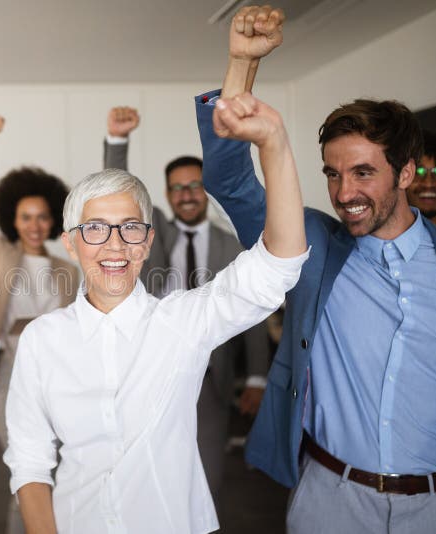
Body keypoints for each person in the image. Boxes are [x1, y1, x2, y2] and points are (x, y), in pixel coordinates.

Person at [196, 6, 436, 533]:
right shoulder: (313, 246)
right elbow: (231, 180)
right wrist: (240, 63)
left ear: (407, 173)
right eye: (333, 173)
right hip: (330, 501)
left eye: (364, 172)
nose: (345, 193)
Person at [4, 86, 308, 531]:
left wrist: (275, 143)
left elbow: (278, 264)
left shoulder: (181, 322)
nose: (114, 244)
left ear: (147, 243)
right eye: (94, 229)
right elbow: (29, 460)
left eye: (130, 228)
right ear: (69, 242)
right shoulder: (42, 339)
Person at [102, 109, 270, 501]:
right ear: (166, 195)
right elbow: (119, 193)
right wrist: (117, 141)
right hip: (148, 367)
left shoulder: (232, 243)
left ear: (205, 191)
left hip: (211, 373)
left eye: (195, 185)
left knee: (206, 479)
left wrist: (258, 377)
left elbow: (255, 314)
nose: (187, 194)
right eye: (177, 188)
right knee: (144, 476)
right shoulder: (150, 230)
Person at [0, 116, 78, 533]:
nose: (34, 225)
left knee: (57, 466)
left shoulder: (68, 270)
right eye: (26, 216)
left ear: (53, 220)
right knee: (27, 466)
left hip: (58, 373)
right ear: (13, 218)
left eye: (42, 217)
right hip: (7, 371)